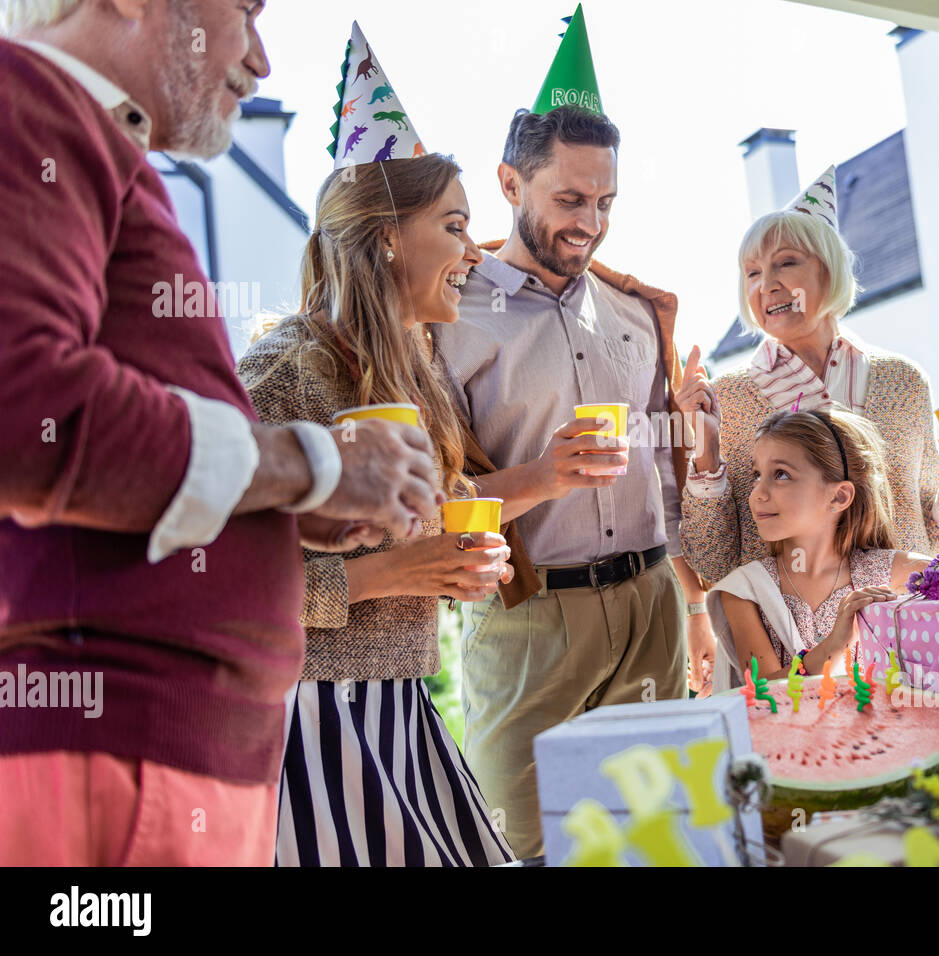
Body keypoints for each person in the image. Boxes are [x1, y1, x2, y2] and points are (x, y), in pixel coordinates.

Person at [0, 0, 441, 866]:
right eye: (246, 9)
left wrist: (283, 507)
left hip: (171, 763)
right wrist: (313, 465)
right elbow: (26, 415)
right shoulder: (32, 101)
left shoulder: (91, 146)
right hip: (120, 751)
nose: (262, 59)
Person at [434, 11, 709, 858]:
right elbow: (435, 501)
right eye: (569, 199)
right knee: (526, 845)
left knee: (665, 840)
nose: (589, 221)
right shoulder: (445, 314)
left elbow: (671, 480)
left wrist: (694, 597)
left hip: (654, 605)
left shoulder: (635, 311)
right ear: (510, 185)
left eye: (605, 202)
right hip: (530, 625)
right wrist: (544, 477)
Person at [237, 26, 512, 867]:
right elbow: (220, 580)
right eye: (456, 225)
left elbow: (396, 551)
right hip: (309, 725)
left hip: (398, 706)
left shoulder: (415, 373)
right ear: (388, 236)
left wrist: (456, 565)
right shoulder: (280, 373)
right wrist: (393, 573)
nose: (475, 252)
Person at [677, 166, 939, 592]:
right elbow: (714, 562)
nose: (767, 285)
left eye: (786, 263)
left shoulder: (904, 381)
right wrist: (705, 452)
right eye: (753, 272)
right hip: (787, 642)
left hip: (899, 623)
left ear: (829, 270)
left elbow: (933, 537)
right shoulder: (729, 399)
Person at [707, 408, 939, 689]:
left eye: (781, 475)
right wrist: (833, 646)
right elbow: (761, 693)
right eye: (756, 475)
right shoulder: (744, 590)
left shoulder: (893, 572)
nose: (757, 494)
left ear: (839, 497)